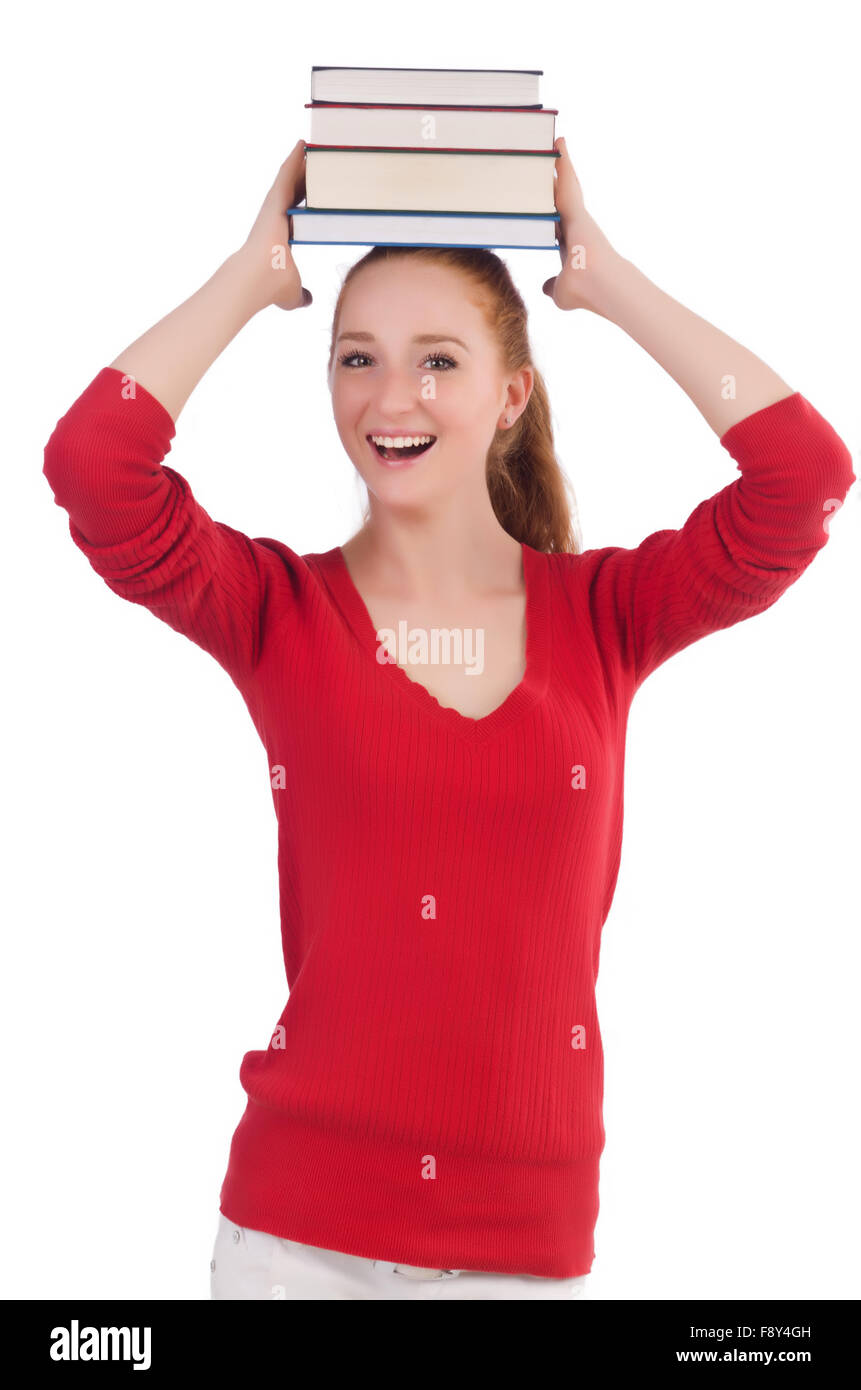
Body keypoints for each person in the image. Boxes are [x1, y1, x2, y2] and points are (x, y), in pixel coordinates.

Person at [43, 138, 854, 1300]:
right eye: (356, 358)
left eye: (438, 361)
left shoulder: (608, 616)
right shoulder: (280, 612)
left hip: (522, 1253)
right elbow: (94, 465)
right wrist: (250, 276)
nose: (389, 399)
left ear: (511, 392)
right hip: (292, 1246)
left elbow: (804, 480)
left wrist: (607, 281)